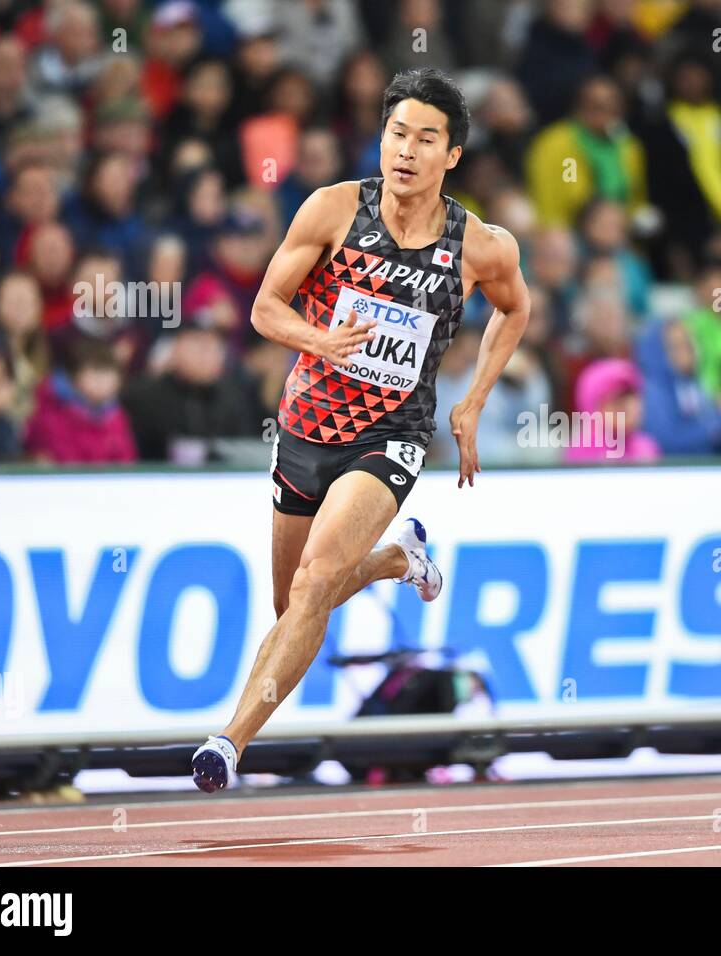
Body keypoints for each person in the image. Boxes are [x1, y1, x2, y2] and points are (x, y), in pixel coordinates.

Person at [191, 68, 530, 793]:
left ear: (453, 156)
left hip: (392, 436)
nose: (406, 150)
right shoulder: (333, 211)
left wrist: (471, 403)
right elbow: (263, 309)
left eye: (425, 138)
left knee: (313, 586)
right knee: (293, 607)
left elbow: (515, 309)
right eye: (396, 133)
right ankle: (394, 562)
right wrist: (320, 342)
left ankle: (228, 743)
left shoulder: (482, 245)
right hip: (307, 427)